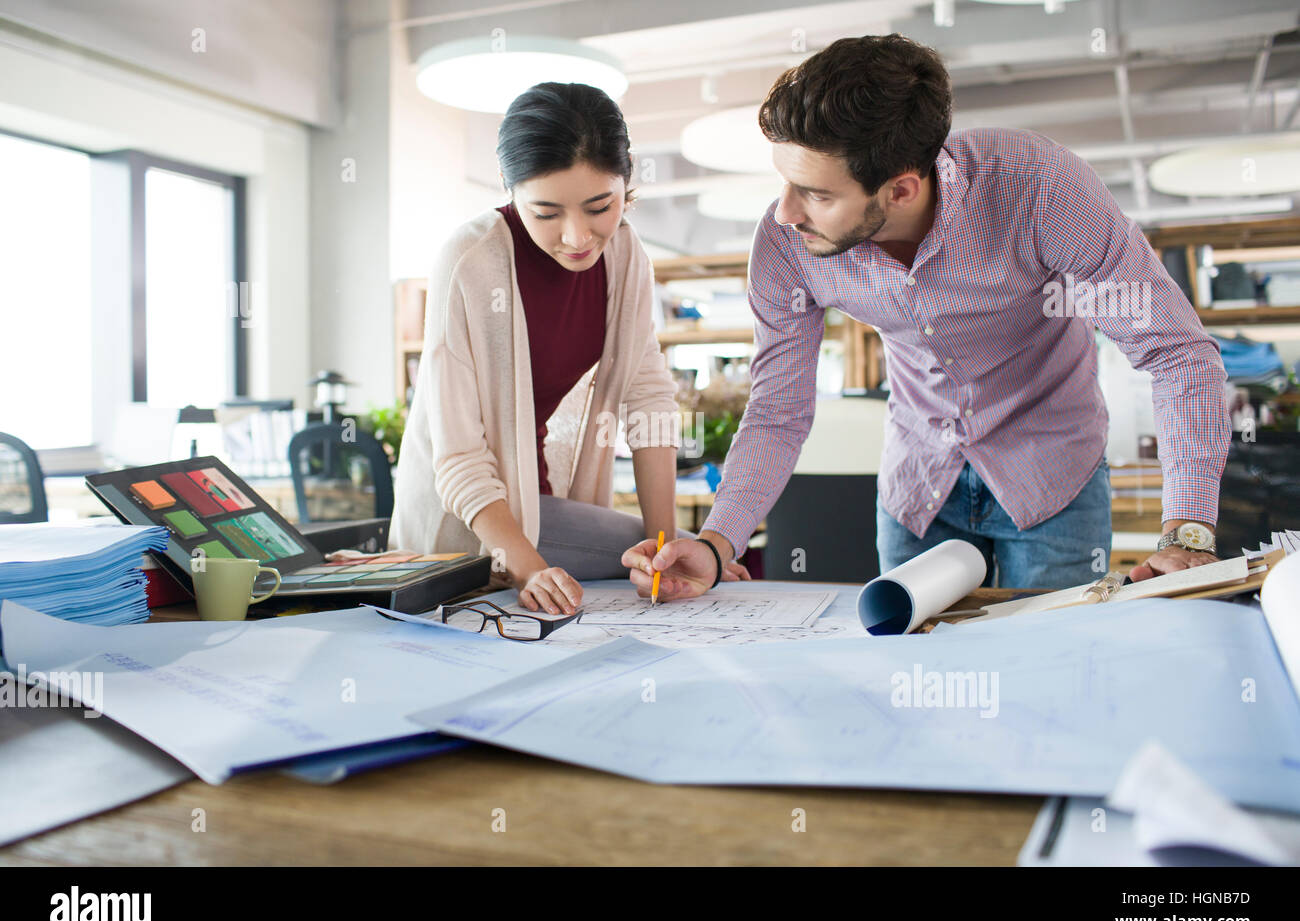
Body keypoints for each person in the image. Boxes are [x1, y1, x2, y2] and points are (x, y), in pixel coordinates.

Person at [624, 34, 1229, 600]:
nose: (785, 212)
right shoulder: (785, 245)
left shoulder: (1039, 187)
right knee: (913, 680)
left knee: (1051, 679)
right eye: (785, 182)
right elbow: (778, 410)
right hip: (919, 489)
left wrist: (1187, 535)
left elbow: (1176, 351)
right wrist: (717, 539)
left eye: (819, 193)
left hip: (1054, 481)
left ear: (902, 190)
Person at [394, 82, 748, 616]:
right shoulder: (471, 259)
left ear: (626, 180)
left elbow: (649, 400)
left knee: (686, 553)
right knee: (704, 559)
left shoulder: (626, 255)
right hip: (467, 530)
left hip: (545, 510)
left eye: (599, 206)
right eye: (547, 213)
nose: (577, 236)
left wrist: (661, 546)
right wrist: (528, 567)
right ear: (508, 188)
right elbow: (460, 458)